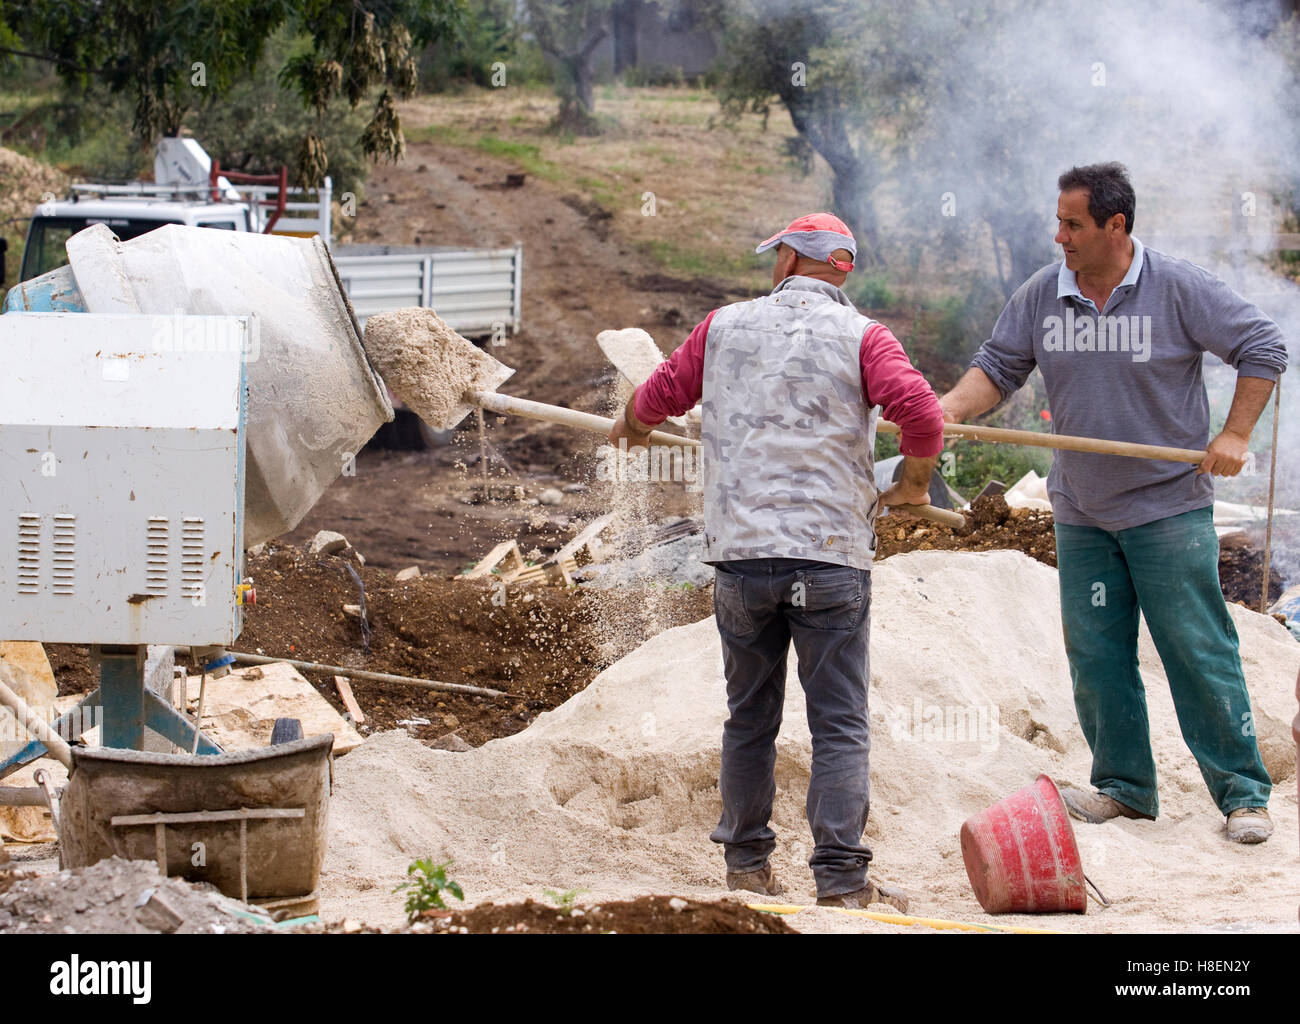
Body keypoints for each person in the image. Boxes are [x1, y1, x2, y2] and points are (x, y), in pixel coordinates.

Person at [939, 162, 1287, 843]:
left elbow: (1262, 346)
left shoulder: (1177, 287)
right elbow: (999, 368)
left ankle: (1243, 794)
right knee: (1096, 654)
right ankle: (1124, 788)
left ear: (1115, 226)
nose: (1060, 236)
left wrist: (1236, 432)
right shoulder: (1043, 293)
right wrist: (947, 410)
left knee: (1196, 649)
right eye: (1059, 222)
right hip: (1082, 509)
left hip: (1169, 507)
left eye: (1073, 224)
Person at [608, 213, 945, 908]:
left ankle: (746, 870)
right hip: (828, 560)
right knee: (839, 722)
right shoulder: (865, 337)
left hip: (743, 560)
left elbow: (662, 392)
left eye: (776, 255)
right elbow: (923, 415)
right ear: (842, 270)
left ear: (791, 258)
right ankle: (843, 883)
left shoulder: (723, 327)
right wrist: (911, 485)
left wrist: (633, 425)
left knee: (750, 718)